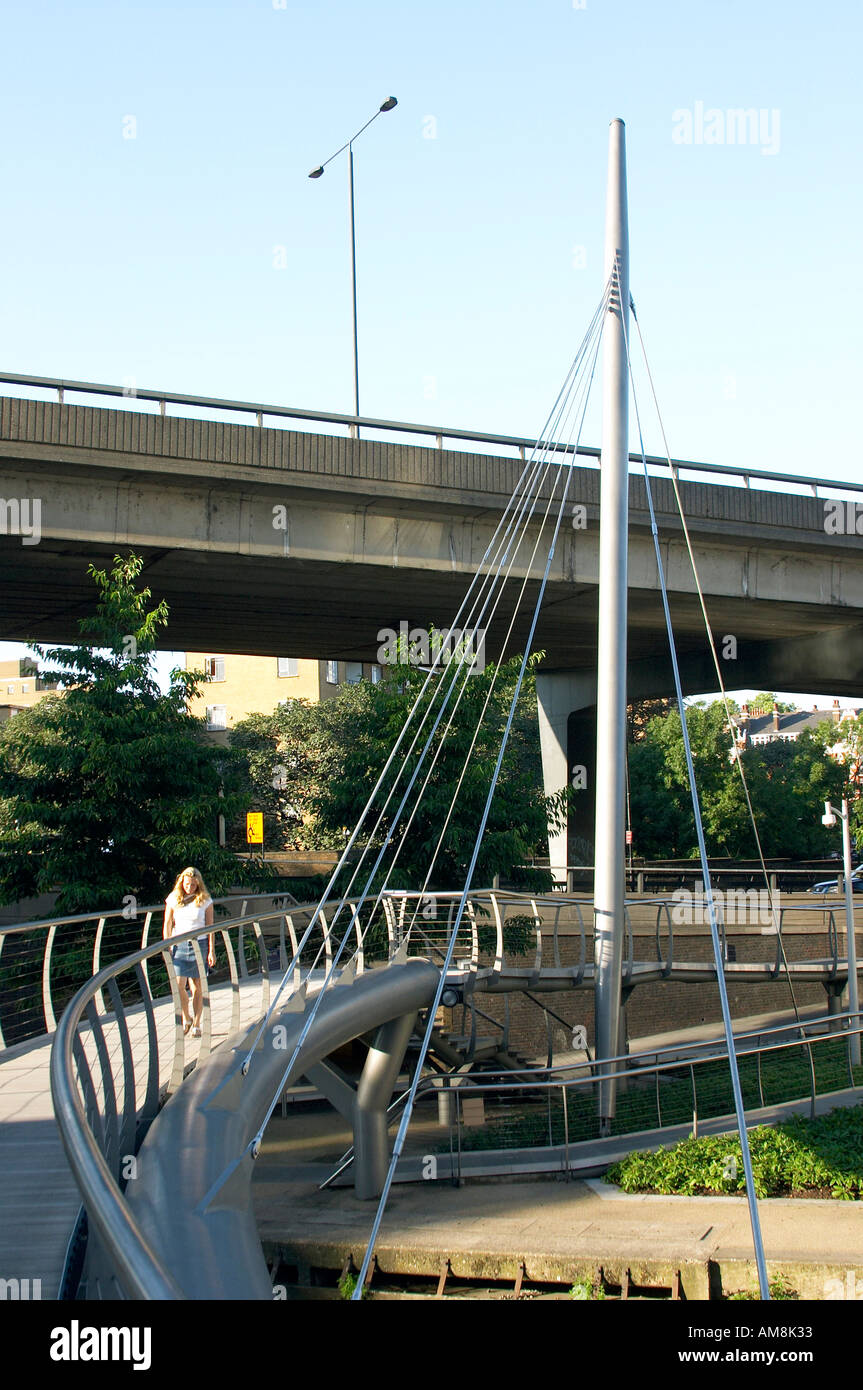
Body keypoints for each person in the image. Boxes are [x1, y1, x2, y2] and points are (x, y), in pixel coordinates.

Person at [163, 867, 215, 1038]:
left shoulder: (205, 900)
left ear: (198, 884)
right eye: (187, 884)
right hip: (179, 944)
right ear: (181, 883)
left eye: (193, 884)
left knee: (198, 986)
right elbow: (168, 922)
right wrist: (167, 944)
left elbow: (210, 927)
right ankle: (186, 1017)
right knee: (178, 985)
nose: (190, 887)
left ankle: (197, 1023)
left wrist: (211, 950)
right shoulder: (173, 898)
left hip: (199, 944)